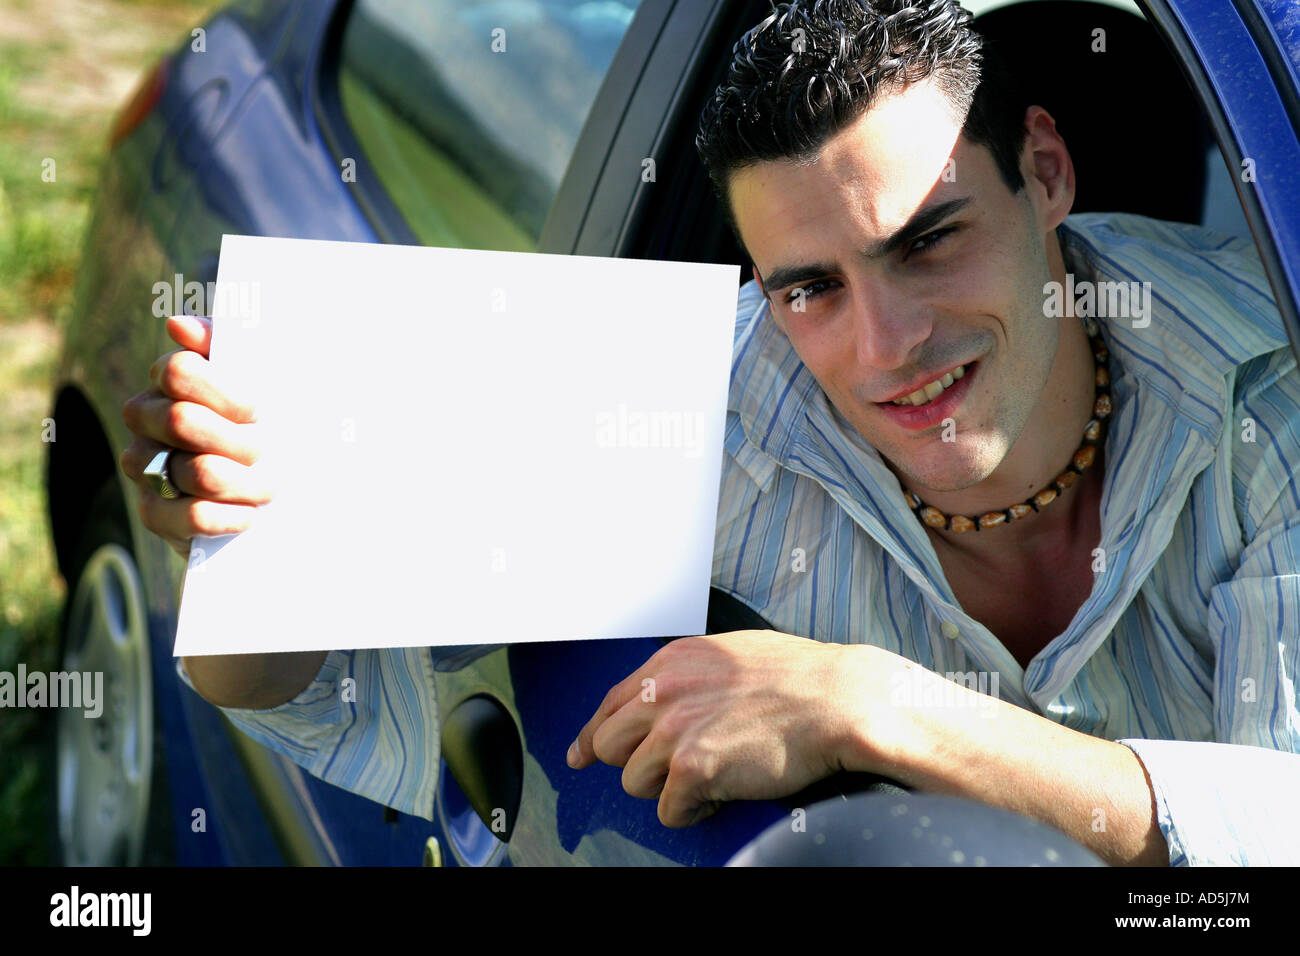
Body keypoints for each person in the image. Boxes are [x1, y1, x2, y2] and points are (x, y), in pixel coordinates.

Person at [119, 0, 1300, 866]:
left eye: (928, 239)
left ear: (1044, 170)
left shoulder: (1274, 387)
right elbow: (311, 689)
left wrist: (866, 702)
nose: (887, 343)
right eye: (809, 287)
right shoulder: (693, 399)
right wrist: (236, 533)